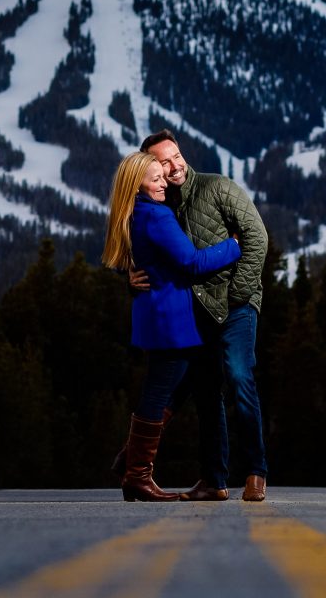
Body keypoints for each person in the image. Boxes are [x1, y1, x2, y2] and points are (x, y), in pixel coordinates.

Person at [137, 130, 270, 503]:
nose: (174, 165)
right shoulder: (158, 205)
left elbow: (256, 237)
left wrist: (237, 295)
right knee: (206, 392)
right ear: (151, 168)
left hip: (236, 304)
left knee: (240, 376)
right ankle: (214, 480)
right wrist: (129, 274)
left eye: (176, 155)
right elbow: (138, 248)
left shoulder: (218, 187)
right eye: (163, 161)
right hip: (194, 311)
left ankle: (256, 472)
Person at [102, 151, 241, 502]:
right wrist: (233, 246)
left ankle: (131, 461)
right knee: (159, 390)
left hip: (156, 314)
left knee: (170, 387)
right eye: (155, 178)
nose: (163, 181)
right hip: (170, 317)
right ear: (139, 184)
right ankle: (137, 475)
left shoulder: (135, 213)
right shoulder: (157, 216)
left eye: (163, 176)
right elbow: (192, 262)